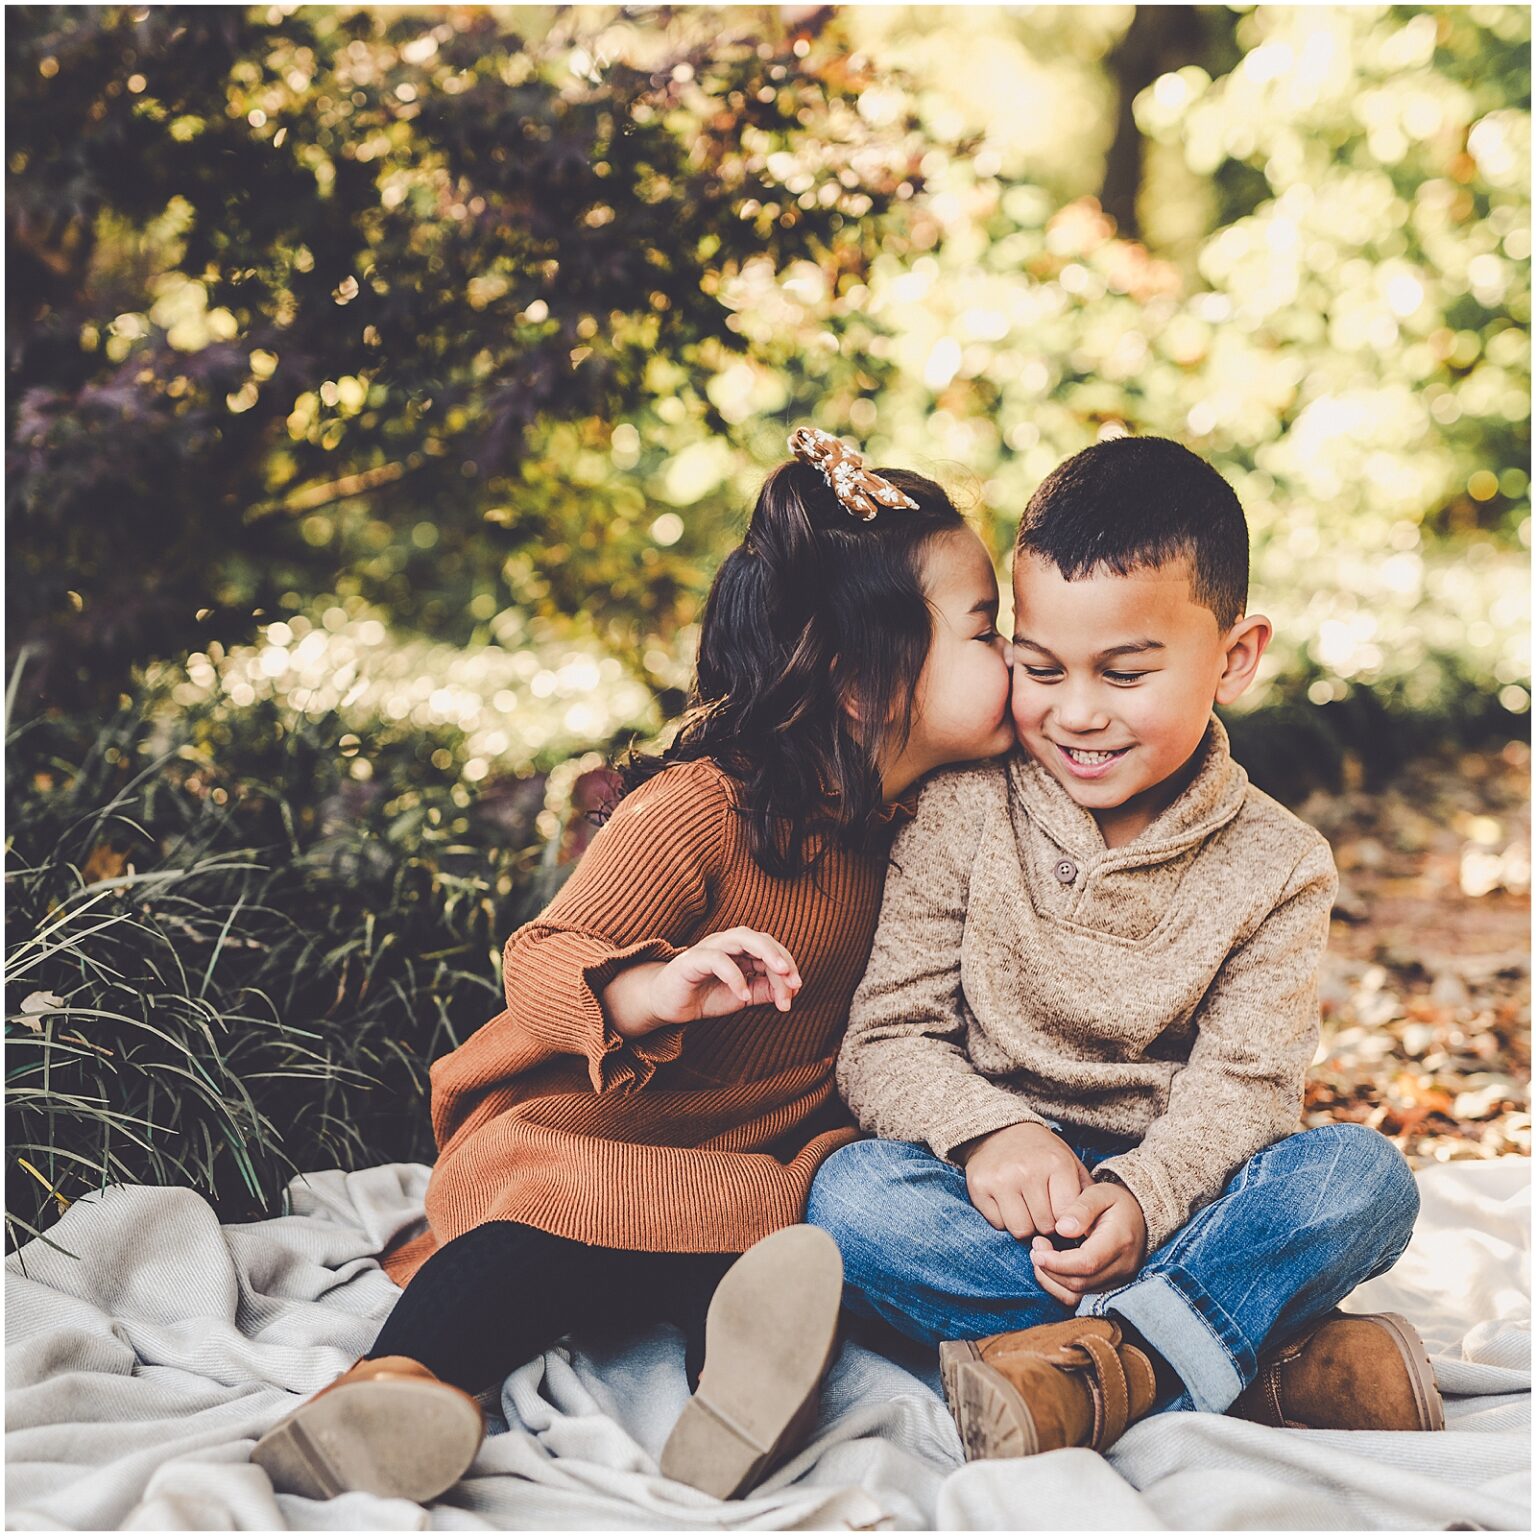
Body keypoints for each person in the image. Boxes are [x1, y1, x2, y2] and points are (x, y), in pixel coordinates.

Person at [250, 426, 1017, 1503]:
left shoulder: (930, 826)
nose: (1020, 659)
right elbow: (544, 954)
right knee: (541, 1239)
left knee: (784, 1255)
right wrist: (649, 986)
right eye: (989, 630)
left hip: (755, 1164)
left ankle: (736, 1405)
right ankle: (401, 1386)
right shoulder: (699, 813)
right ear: (861, 676)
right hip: (585, 1135)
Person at [807, 434, 1443, 1461]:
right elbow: (888, 1037)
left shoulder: (1280, 865)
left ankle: (1101, 1369)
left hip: (1185, 1193)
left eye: (1125, 672)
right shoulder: (965, 807)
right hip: (998, 1207)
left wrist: (1143, 1201)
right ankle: (1248, 1359)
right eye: (1039, 666)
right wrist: (988, 1136)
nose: (1077, 712)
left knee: (1359, 1182)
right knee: (851, 1199)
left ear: (1234, 658)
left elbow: (1246, 1088)